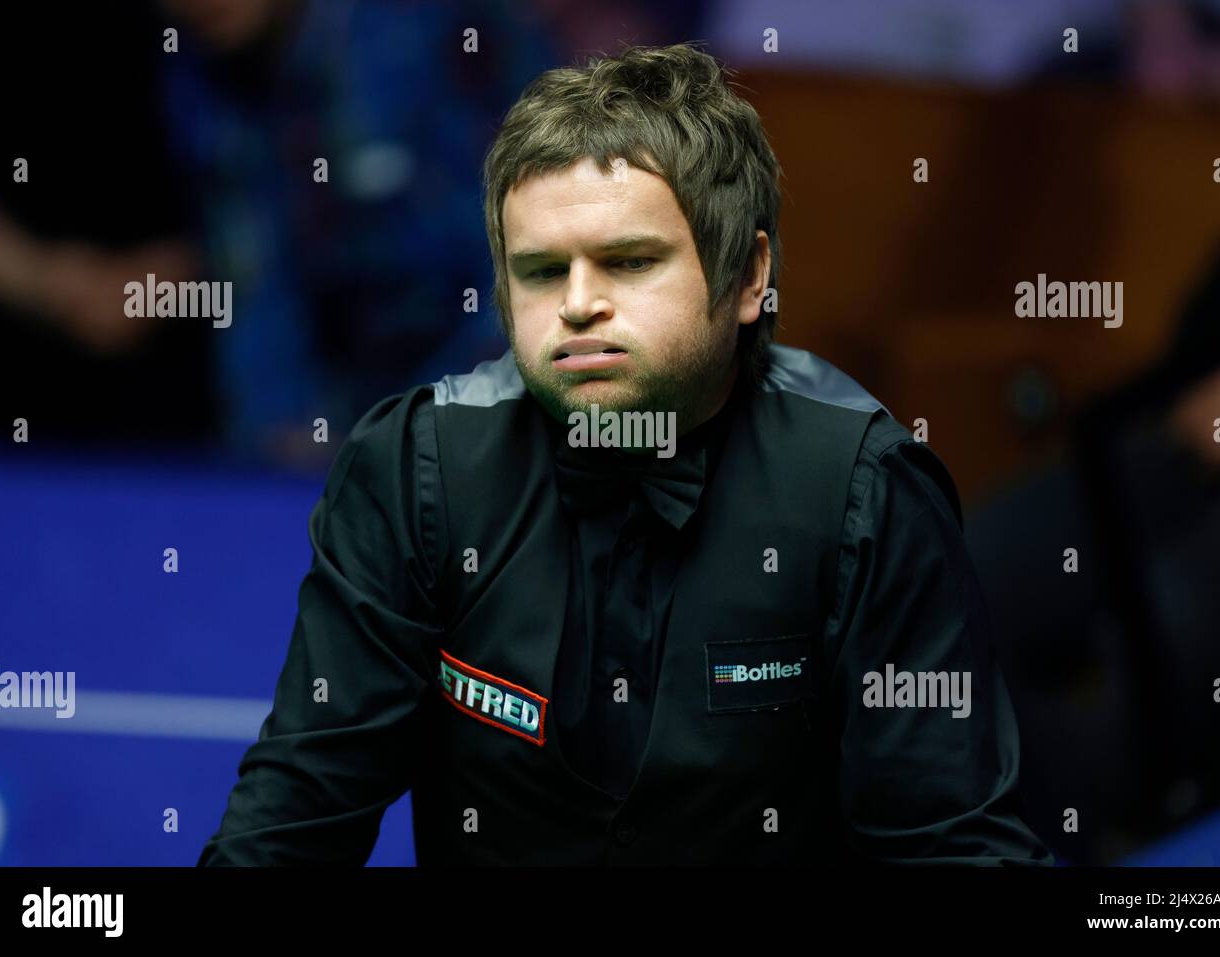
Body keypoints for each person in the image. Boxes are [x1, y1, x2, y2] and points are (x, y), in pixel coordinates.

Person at [199, 43, 1052, 866]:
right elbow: (295, 819)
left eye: (629, 261)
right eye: (539, 271)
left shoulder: (863, 490)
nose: (575, 305)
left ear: (750, 276)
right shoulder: (414, 469)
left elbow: (955, 846)